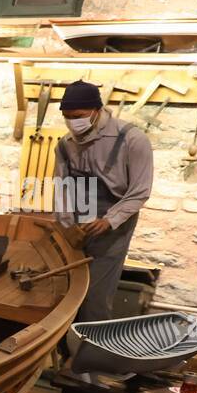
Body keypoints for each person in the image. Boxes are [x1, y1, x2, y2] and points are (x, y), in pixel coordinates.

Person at [54, 79, 153, 322]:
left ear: (96, 111)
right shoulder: (65, 145)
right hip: (78, 221)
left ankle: (90, 355)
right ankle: (65, 348)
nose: (72, 122)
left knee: (94, 297)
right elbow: (62, 188)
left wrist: (109, 221)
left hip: (113, 224)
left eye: (78, 115)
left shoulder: (132, 139)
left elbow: (139, 191)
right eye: (67, 116)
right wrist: (66, 225)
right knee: (66, 291)